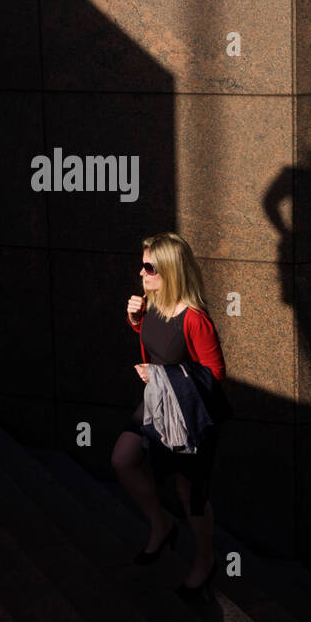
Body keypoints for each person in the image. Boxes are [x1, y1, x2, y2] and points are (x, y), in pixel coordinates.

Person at [110, 231, 229, 597]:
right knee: (122, 459)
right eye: (142, 264)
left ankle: (204, 559)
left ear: (171, 271)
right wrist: (134, 321)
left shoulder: (195, 318)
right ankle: (161, 526)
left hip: (188, 412)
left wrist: (161, 376)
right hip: (156, 401)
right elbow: (158, 345)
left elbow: (215, 374)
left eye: (150, 267)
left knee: (188, 489)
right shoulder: (151, 303)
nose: (141, 273)